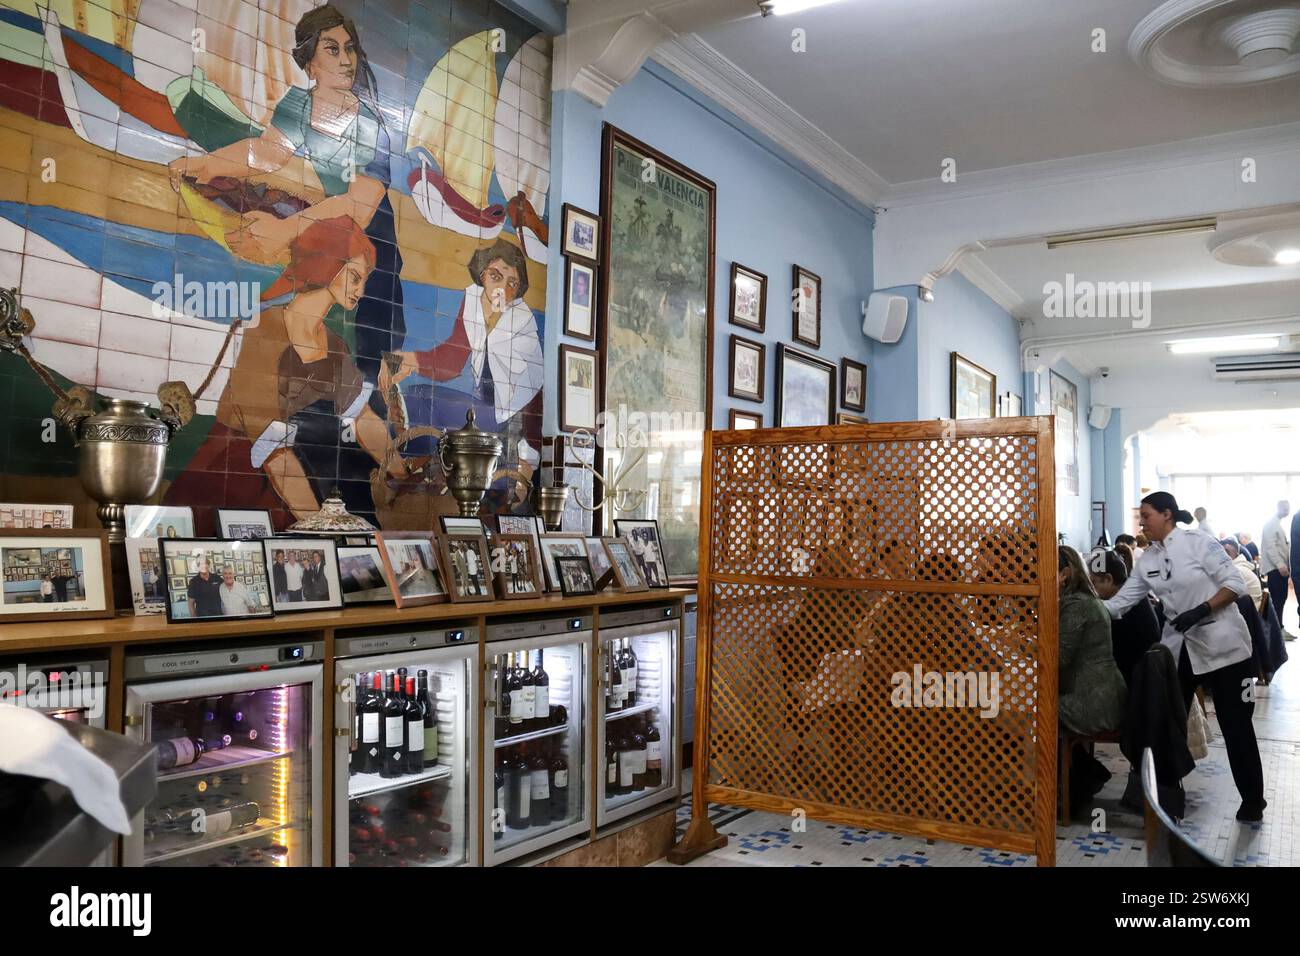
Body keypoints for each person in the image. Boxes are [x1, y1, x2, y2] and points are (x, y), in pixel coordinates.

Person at [1102, 492, 1266, 822]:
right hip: (1181, 648)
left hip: (1224, 644)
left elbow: (1234, 583)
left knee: (1236, 726)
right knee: (1165, 722)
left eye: (1146, 515)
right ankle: (1166, 800)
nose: (1141, 521)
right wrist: (1085, 608)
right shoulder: (1147, 561)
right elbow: (1120, 603)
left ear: (1167, 514)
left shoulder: (1199, 543)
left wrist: (1202, 609)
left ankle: (1253, 801)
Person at [1058, 546, 1128, 812]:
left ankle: (1057, 792)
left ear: (1064, 573)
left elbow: (1058, 658)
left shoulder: (1075, 604)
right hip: (1102, 693)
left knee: (1029, 713)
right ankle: (1078, 780)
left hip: (1090, 701)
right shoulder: (1083, 599)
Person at [1088, 549, 1159, 688]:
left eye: (1093, 583)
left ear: (1108, 579)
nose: (1091, 590)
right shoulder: (1128, 594)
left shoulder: (1123, 605)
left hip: (1134, 682)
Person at [1260, 500, 1291, 631]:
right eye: (1284, 508)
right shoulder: (1271, 524)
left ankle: (1279, 627)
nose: (1287, 511)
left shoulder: (1276, 523)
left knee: (1280, 598)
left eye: (1288, 508)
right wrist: (1280, 564)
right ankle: (1277, 629)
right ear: (1277, 508)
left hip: (1278, 568)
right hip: (1275, 569)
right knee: (1278, 599)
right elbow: (1270, 547)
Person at [1221, 538, 1262, 602]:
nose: (1223, 557)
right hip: (1250, 607)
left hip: (1248, 610)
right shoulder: (1240, 566)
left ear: (1237, 554)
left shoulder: (1236, 570)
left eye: (1227, 553)